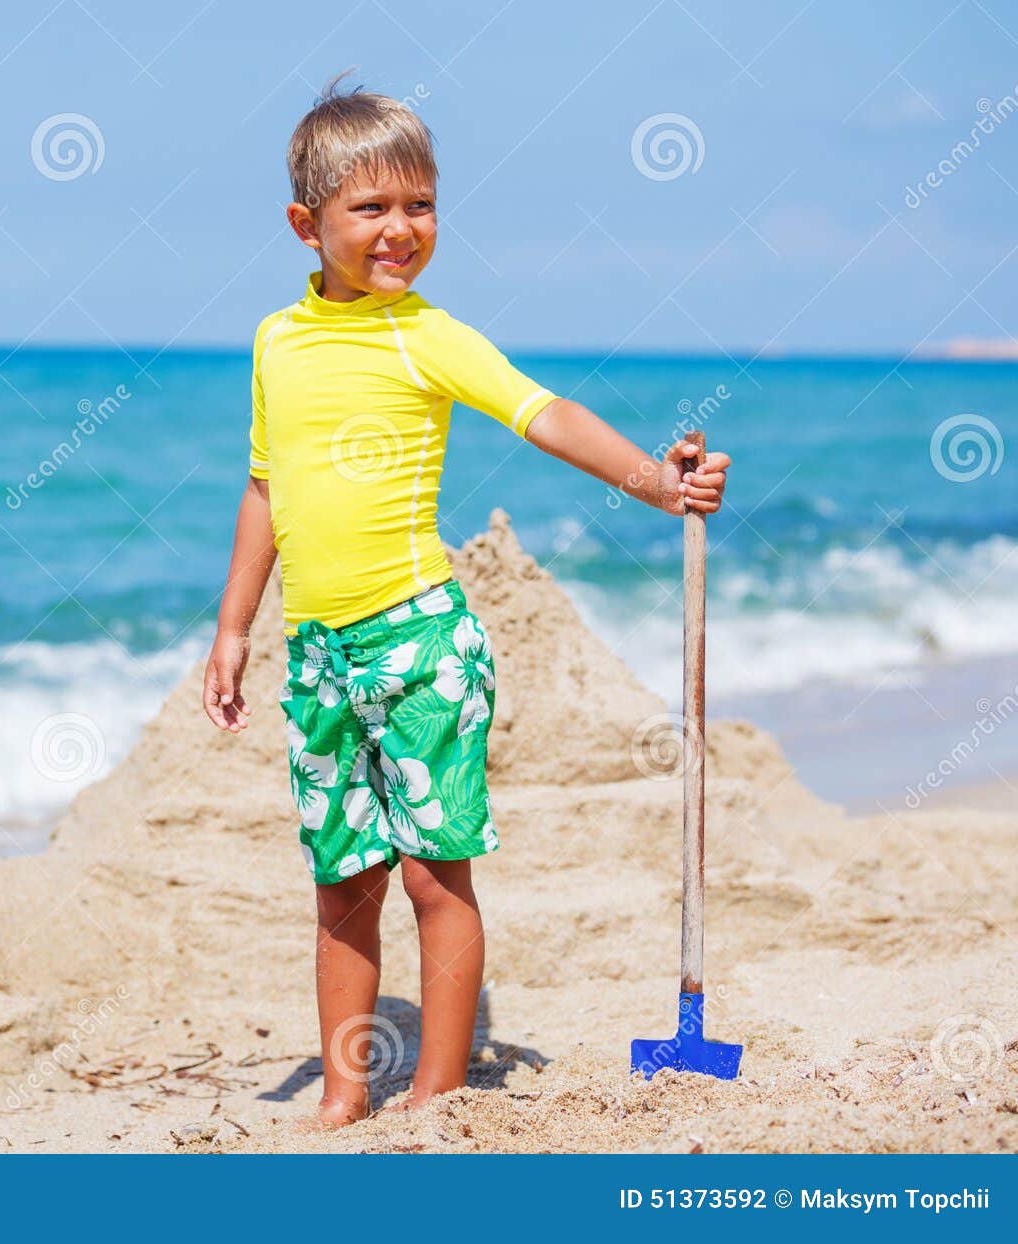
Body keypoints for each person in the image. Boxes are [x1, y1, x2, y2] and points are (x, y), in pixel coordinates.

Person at [201, 71, 733, 1128]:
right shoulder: (277, 340)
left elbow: (545, 413)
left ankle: (438, 1095)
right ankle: (344, 1093)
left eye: (421, 205)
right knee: (342, 882)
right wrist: (232, 627)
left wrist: (657, 483)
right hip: (318, 653)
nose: (400, 229)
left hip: (421, 643)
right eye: (371, 207)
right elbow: (266, 485)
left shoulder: (426, 335)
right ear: (307, 225)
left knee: (433, 879)